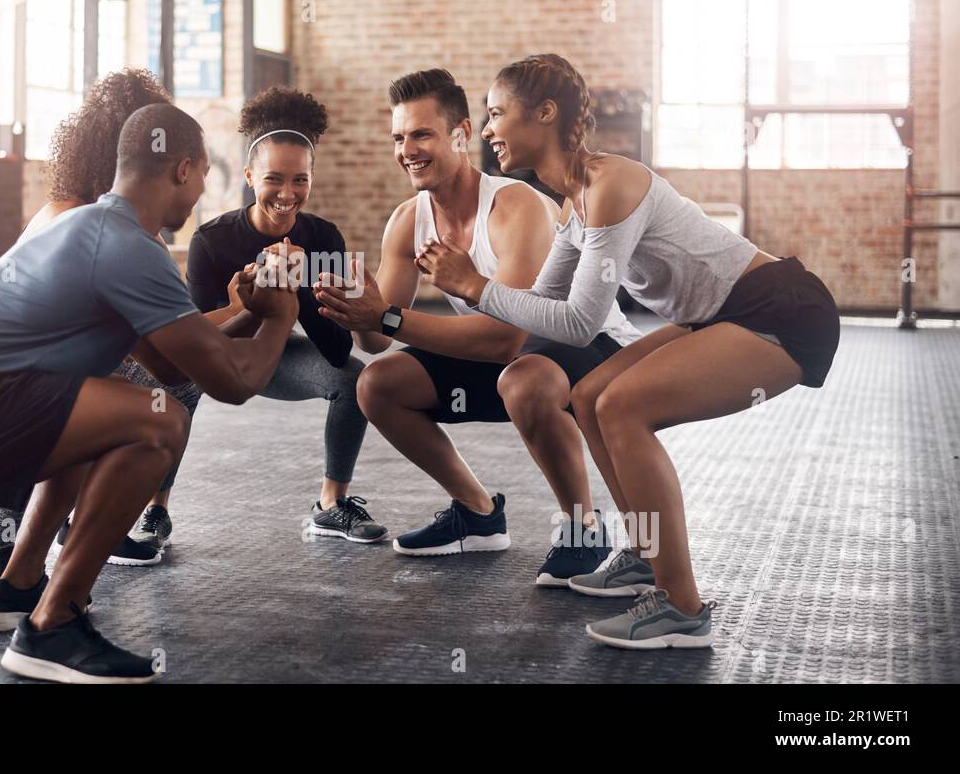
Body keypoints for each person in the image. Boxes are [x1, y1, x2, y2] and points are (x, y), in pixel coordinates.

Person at [0, 103, 301, 682]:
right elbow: (232, 383)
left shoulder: (89, 225)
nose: (197, 199)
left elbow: (168, 362)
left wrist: (246, 314)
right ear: (184, 170)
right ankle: (52, 628)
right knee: (159, 423)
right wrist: (281, 313)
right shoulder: (130, 249)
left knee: (110, 403)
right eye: (201, 182)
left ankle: (15, 591)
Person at [417, 53, 840, 649]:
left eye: (495, 115)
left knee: (623, 408)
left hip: (783, 311)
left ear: (544, 114)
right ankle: (645, 555)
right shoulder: (572, 208)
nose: (486, 131)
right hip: (721, 314)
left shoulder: (610, 184)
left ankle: (681, 607)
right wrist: (457, 309)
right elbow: (539, 310)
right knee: (589, 395)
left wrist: (475, 286)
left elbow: (582, 320)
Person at [314, 69, 641, 582]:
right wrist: (354, 308)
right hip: (514, 365)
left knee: (526, 376)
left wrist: (389, 316)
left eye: (422, 134)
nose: (407, 150)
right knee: (376, 385)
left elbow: (503, 338)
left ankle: (583, 528)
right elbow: (376, 341)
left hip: (595, 353)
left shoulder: (515, 207)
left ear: (462, 135)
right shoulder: (407, 220)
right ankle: (478, 514)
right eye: (399, 138)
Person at [0, 69, 200, 591]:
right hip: (3, 395)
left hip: (9, 381)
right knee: (156, 391)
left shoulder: (84, 214)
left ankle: (83, 523)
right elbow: (181, 347)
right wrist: (259, 316)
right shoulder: (92, 222)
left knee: (157, 383)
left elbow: (174, 335)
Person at [185, 87, 385, 542]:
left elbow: (336, 351)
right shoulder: (211, 242)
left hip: (278, 359)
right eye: (274, 179)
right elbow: (195, 340)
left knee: (355, 380)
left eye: (300, 180)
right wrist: (250, 304)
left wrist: (301, 286)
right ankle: (155, 509)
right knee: (174, 383)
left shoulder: (323, 238)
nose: (287, 194)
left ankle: (331, 503)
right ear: (250, 177)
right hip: (223, 355)